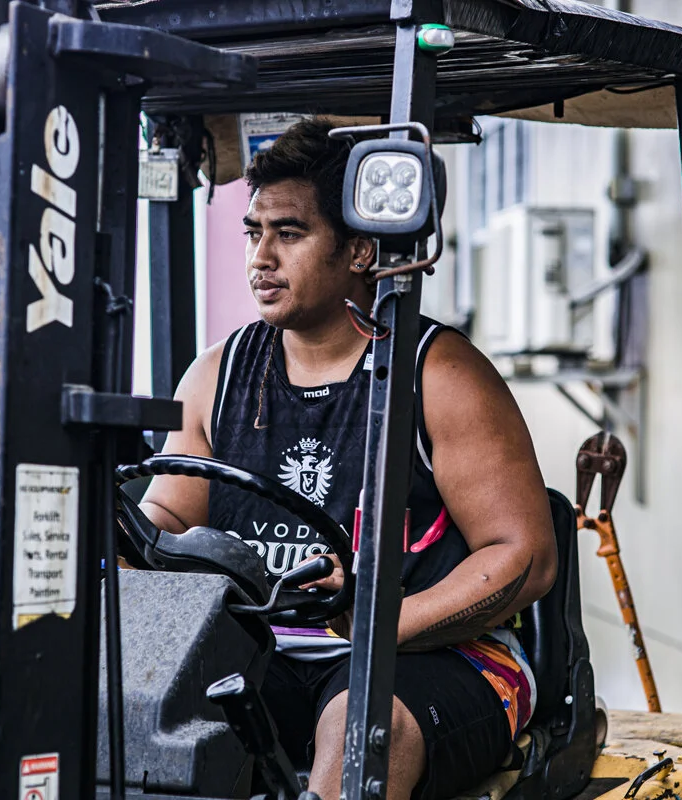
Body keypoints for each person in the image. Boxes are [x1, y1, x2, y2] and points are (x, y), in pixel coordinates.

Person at [138, 118, 557, 800]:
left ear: (360, 250)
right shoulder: (218, 374)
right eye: (253, 232)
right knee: (139, 716)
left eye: (289, 233)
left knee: (364, 729)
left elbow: (524, 557)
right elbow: (167, 523)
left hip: (435, 655)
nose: (260, 258)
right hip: (264, 652)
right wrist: (118, 551)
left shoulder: (440, 374)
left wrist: (378, 622)